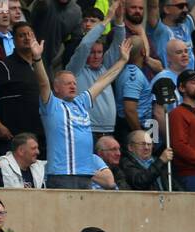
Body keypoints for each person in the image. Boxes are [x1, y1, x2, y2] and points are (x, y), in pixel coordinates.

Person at [32, 36, 132, 189]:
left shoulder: (81, 102)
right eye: (67, 83)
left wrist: (122, 60)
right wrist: (38, 59)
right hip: (62, 175)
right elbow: (43, 83)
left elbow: (103, 81)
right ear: (56, 87)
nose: (73, 86)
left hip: (86, 176)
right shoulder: (52, 105)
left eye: (74, 83)